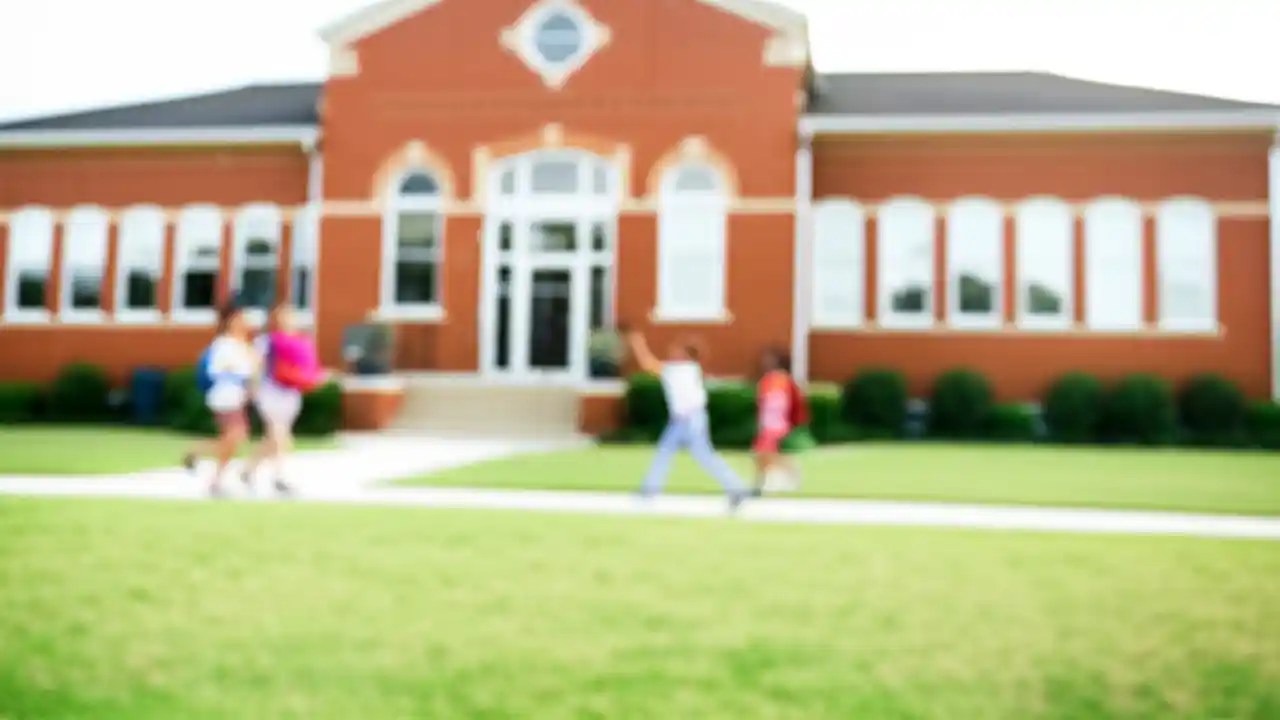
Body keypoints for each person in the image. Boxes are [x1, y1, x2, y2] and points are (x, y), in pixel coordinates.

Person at [624, 327, 749, 511]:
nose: (672, 351)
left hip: (690, 420)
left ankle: (736, 488)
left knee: (701, 456)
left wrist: (638, 343)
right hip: (682, 420)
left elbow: (648, 365)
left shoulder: (680, 369)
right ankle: (648, 491)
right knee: (666, 453)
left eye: (677, 349)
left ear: (686, 354)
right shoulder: (687, 369)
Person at [183, 302, 258, 498]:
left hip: (237, 396)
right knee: (235, 436)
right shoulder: (223, 344)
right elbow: (216, 370)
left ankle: (204, 462)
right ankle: (212, 475)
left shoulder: (242, 344)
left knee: (232, 439)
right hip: (225, 396)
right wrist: (238, 369)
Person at [243, 303, 318, 497]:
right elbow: (255, 364)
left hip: (290, 393)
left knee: (277, 438)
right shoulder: (266, 341)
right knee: (278, 434)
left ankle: (248, 470)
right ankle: (279, 478)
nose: (288, 320)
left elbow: (308, 364)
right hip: (269, 392)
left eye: (290, 317)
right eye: (283, 317)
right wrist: (252, 388)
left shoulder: (300, 341)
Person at [751, 348, 804, 496]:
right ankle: (766, 480)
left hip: (777, 424)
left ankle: (764, 482)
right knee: (765, 454)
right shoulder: (767, 380)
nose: (766, 362)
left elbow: (784, 402)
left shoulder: (783, 380)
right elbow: (762, 403)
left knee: (763, 453)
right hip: (769, 423)